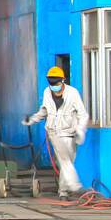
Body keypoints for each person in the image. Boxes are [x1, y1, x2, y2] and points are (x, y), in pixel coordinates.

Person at [23, 66, 89, 198]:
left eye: (56, 83)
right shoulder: (47, 92)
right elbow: (45, 110)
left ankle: (63, 192)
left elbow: (83, 114)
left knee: (67, 162)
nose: (54, 86)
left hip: (70, 133)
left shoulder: (73, 93)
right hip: (54, 132)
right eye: (51, 83)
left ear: (63, 81)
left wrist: (81, 130)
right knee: (64, 159)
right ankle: (75, 186)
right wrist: (32, 119)